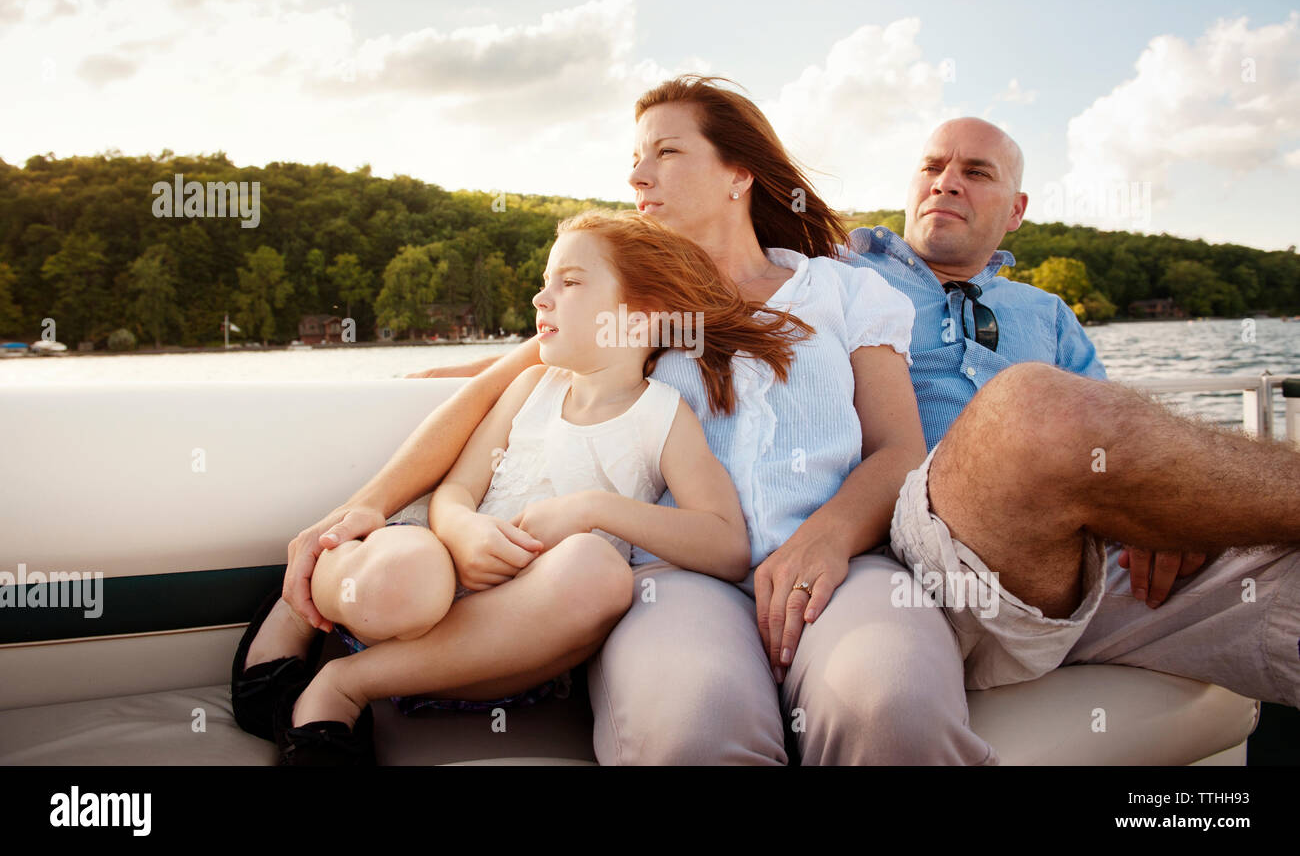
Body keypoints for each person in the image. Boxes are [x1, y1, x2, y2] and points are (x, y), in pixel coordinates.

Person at [257, 74, 952, 765]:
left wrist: (828, 538)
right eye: (634, 161)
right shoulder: (640, 306)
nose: (638, 177)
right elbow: (495, 390)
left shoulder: (846, 288)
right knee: (693, 733)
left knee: (895, 711)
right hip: (674, 577)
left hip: (841, 562)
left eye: (666, 154)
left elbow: (898, 449)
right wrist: (362, 506)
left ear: (739, 172)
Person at [234, 208, 814, 762]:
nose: (542, 297)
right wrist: (462, 531)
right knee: (409, 577)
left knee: (600, 571)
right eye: (545, 282)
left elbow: (726, 543)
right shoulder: (533, 384)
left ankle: (341, 685)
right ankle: (296, 605)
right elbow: (456, 490)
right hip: (424, 571)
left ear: (640, 315)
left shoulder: (665, 417)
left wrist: (595, 509)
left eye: (570, 282)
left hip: (495, 645)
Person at [841, 116, 1300, 712]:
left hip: (1061, 564)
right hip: (911, 558)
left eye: (976, 173)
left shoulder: (1048, 312)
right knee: (1029, 403)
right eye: (932, 167)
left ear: (1016, 210)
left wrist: (1157, 512)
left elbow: (1106, 448)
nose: (946, 183)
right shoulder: (838, 275)